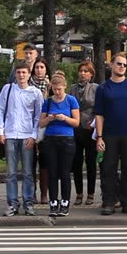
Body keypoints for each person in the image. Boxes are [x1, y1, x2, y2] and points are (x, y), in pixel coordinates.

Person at [94, 52, 127, 216]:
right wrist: (99, 137)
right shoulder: (103, 88)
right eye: (119, 64)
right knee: (108, 169)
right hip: (109, 135)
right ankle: (109, 202)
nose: (122, 67)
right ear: (111, 65)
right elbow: (99, 114)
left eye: (124, 64)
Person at [0, 62, 44, 216]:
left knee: (28, 172)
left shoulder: (35, 93)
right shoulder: (8, 89)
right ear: (15, 74)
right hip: (10, 135)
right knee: (11, 172)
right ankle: (12, 203)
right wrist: (0, 131)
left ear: (29, 75)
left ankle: (28, 203)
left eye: (24, 72)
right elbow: (0, 110)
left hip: (27, 136)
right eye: (19, 72)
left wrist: (34, 136)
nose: (21, 75)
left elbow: (38, 117)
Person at [40, 75, 80, 216]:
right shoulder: (48, 102)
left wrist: (65, 118)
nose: (57, 92)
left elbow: (76, 122)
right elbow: (41, 123)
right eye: (54, 89)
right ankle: (53, 202)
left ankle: (65, 202)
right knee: (52, 172)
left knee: (64, 172)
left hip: (66, 139)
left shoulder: (71, 100)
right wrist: (49, 118)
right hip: (51, 139)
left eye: (59, 89)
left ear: (64, 87)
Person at [69, 60, 98, 206]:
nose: (83, 73)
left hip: (90, 129)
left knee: (91, 162)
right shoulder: (72, 88)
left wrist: (93, 122)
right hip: (76, 129)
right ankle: (79, 193)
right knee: (77, 162)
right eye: (81, 71)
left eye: (86, 71)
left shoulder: (95, 88)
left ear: (91, 74)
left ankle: (91, 193)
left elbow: (98, 108)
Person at [30, 57, 51, 203]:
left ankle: (44, 193)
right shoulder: (28, 85)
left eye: (42, 67)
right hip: (30, 127)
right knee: (30, 162)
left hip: (46, 128)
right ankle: (32, 193)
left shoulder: (51, 86)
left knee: (45, 162)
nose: (39, 70)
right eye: (37, 67)